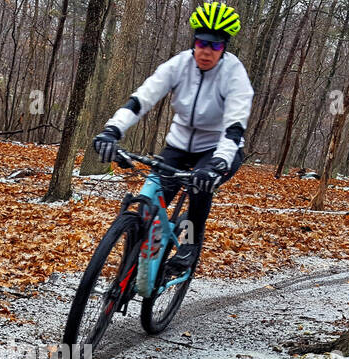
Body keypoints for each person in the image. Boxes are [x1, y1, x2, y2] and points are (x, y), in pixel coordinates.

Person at [93, 2, 253, 275]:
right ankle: (136, 262)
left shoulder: (234, 75)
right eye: (202, 42)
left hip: (217, 149)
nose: (206, 51)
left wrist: (217, 165)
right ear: (194, 41)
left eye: (215, 46)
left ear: (224, 47)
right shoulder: (179, 64)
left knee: (199, 188)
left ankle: (189, 246)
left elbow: (234, 128)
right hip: (178, 145)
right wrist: (113, 130)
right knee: (155, 199)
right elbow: (141, 100)